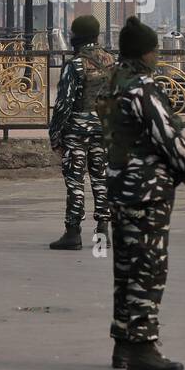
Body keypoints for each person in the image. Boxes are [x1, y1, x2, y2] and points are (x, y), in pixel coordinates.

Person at [101, 16, 185, 370]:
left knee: (125, 269)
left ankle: (123, 343)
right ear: (145, 53)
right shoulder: (142, 88)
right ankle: (143, 346)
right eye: (155, 50)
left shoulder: (112, 85)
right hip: (146, 192)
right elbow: (166, 136)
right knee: (148, 268)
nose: (159, 55)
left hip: (119, 188)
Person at [46, 15, 115, 250]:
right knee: (101, 177)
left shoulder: (75, 65)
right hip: (104, 130)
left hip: (77, 130)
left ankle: (73, 232)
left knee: (75, 181)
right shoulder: (111, 62)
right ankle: (103, 230)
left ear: (77, 37)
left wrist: (55, 136)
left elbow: (63, 105)